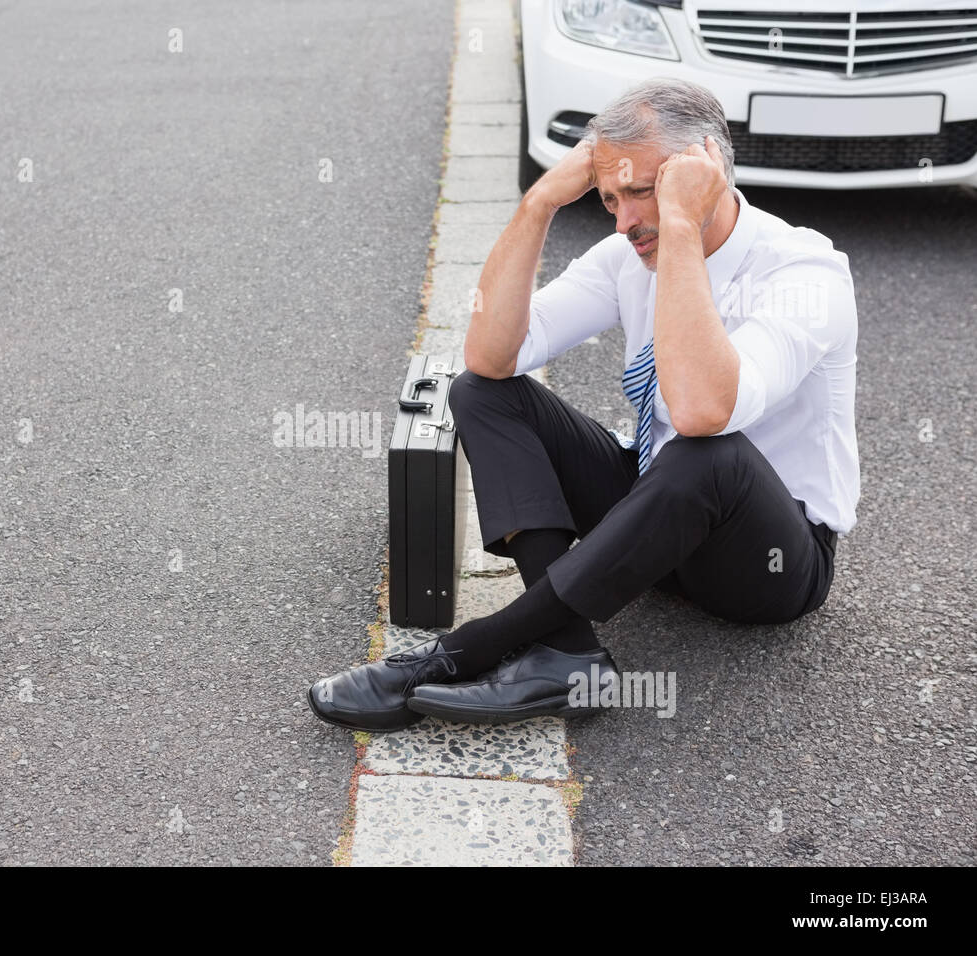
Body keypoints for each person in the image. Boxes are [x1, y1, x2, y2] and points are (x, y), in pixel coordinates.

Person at [308, 77, 859, 732]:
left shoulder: (803, 275)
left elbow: (704, 410)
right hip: (659, 522)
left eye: (643, 191)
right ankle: (568, 654)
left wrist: (680, 223)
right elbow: (491, 354)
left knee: (708, 453)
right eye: (609, 200)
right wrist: (541, 200)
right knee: (482, 392)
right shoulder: (630, 253)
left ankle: (464, 651)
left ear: (704, 166)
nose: (627, 221)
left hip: (767, 562)